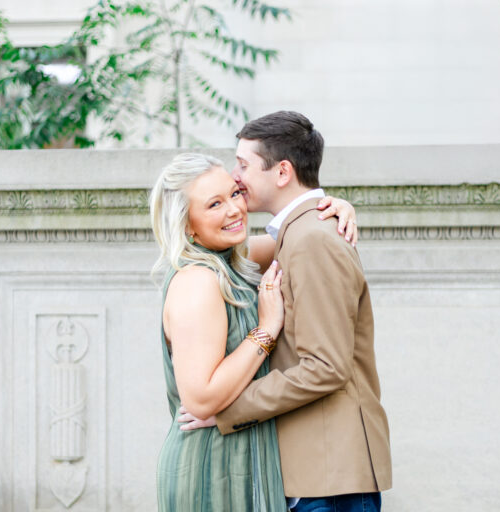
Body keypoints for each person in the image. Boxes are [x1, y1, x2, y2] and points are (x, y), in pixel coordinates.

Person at [180, 111, 392, 512]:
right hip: (317, 477)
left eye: (243, 164)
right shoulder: (298, 233)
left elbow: (326, 367)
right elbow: (230, 254)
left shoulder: (313, 238)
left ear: (281, 172)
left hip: (330, 481)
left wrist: (226, 411)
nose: (235, 176)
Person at [149, 153, 358, 511]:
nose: (234, 210)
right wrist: (266, 329)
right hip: (211, 468)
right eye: (214, 204)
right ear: (187, 225)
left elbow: (297, 236)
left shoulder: (234, 260)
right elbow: (200, 399)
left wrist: (334, 208)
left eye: (234, 194)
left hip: (240, 460)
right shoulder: (198, 281)